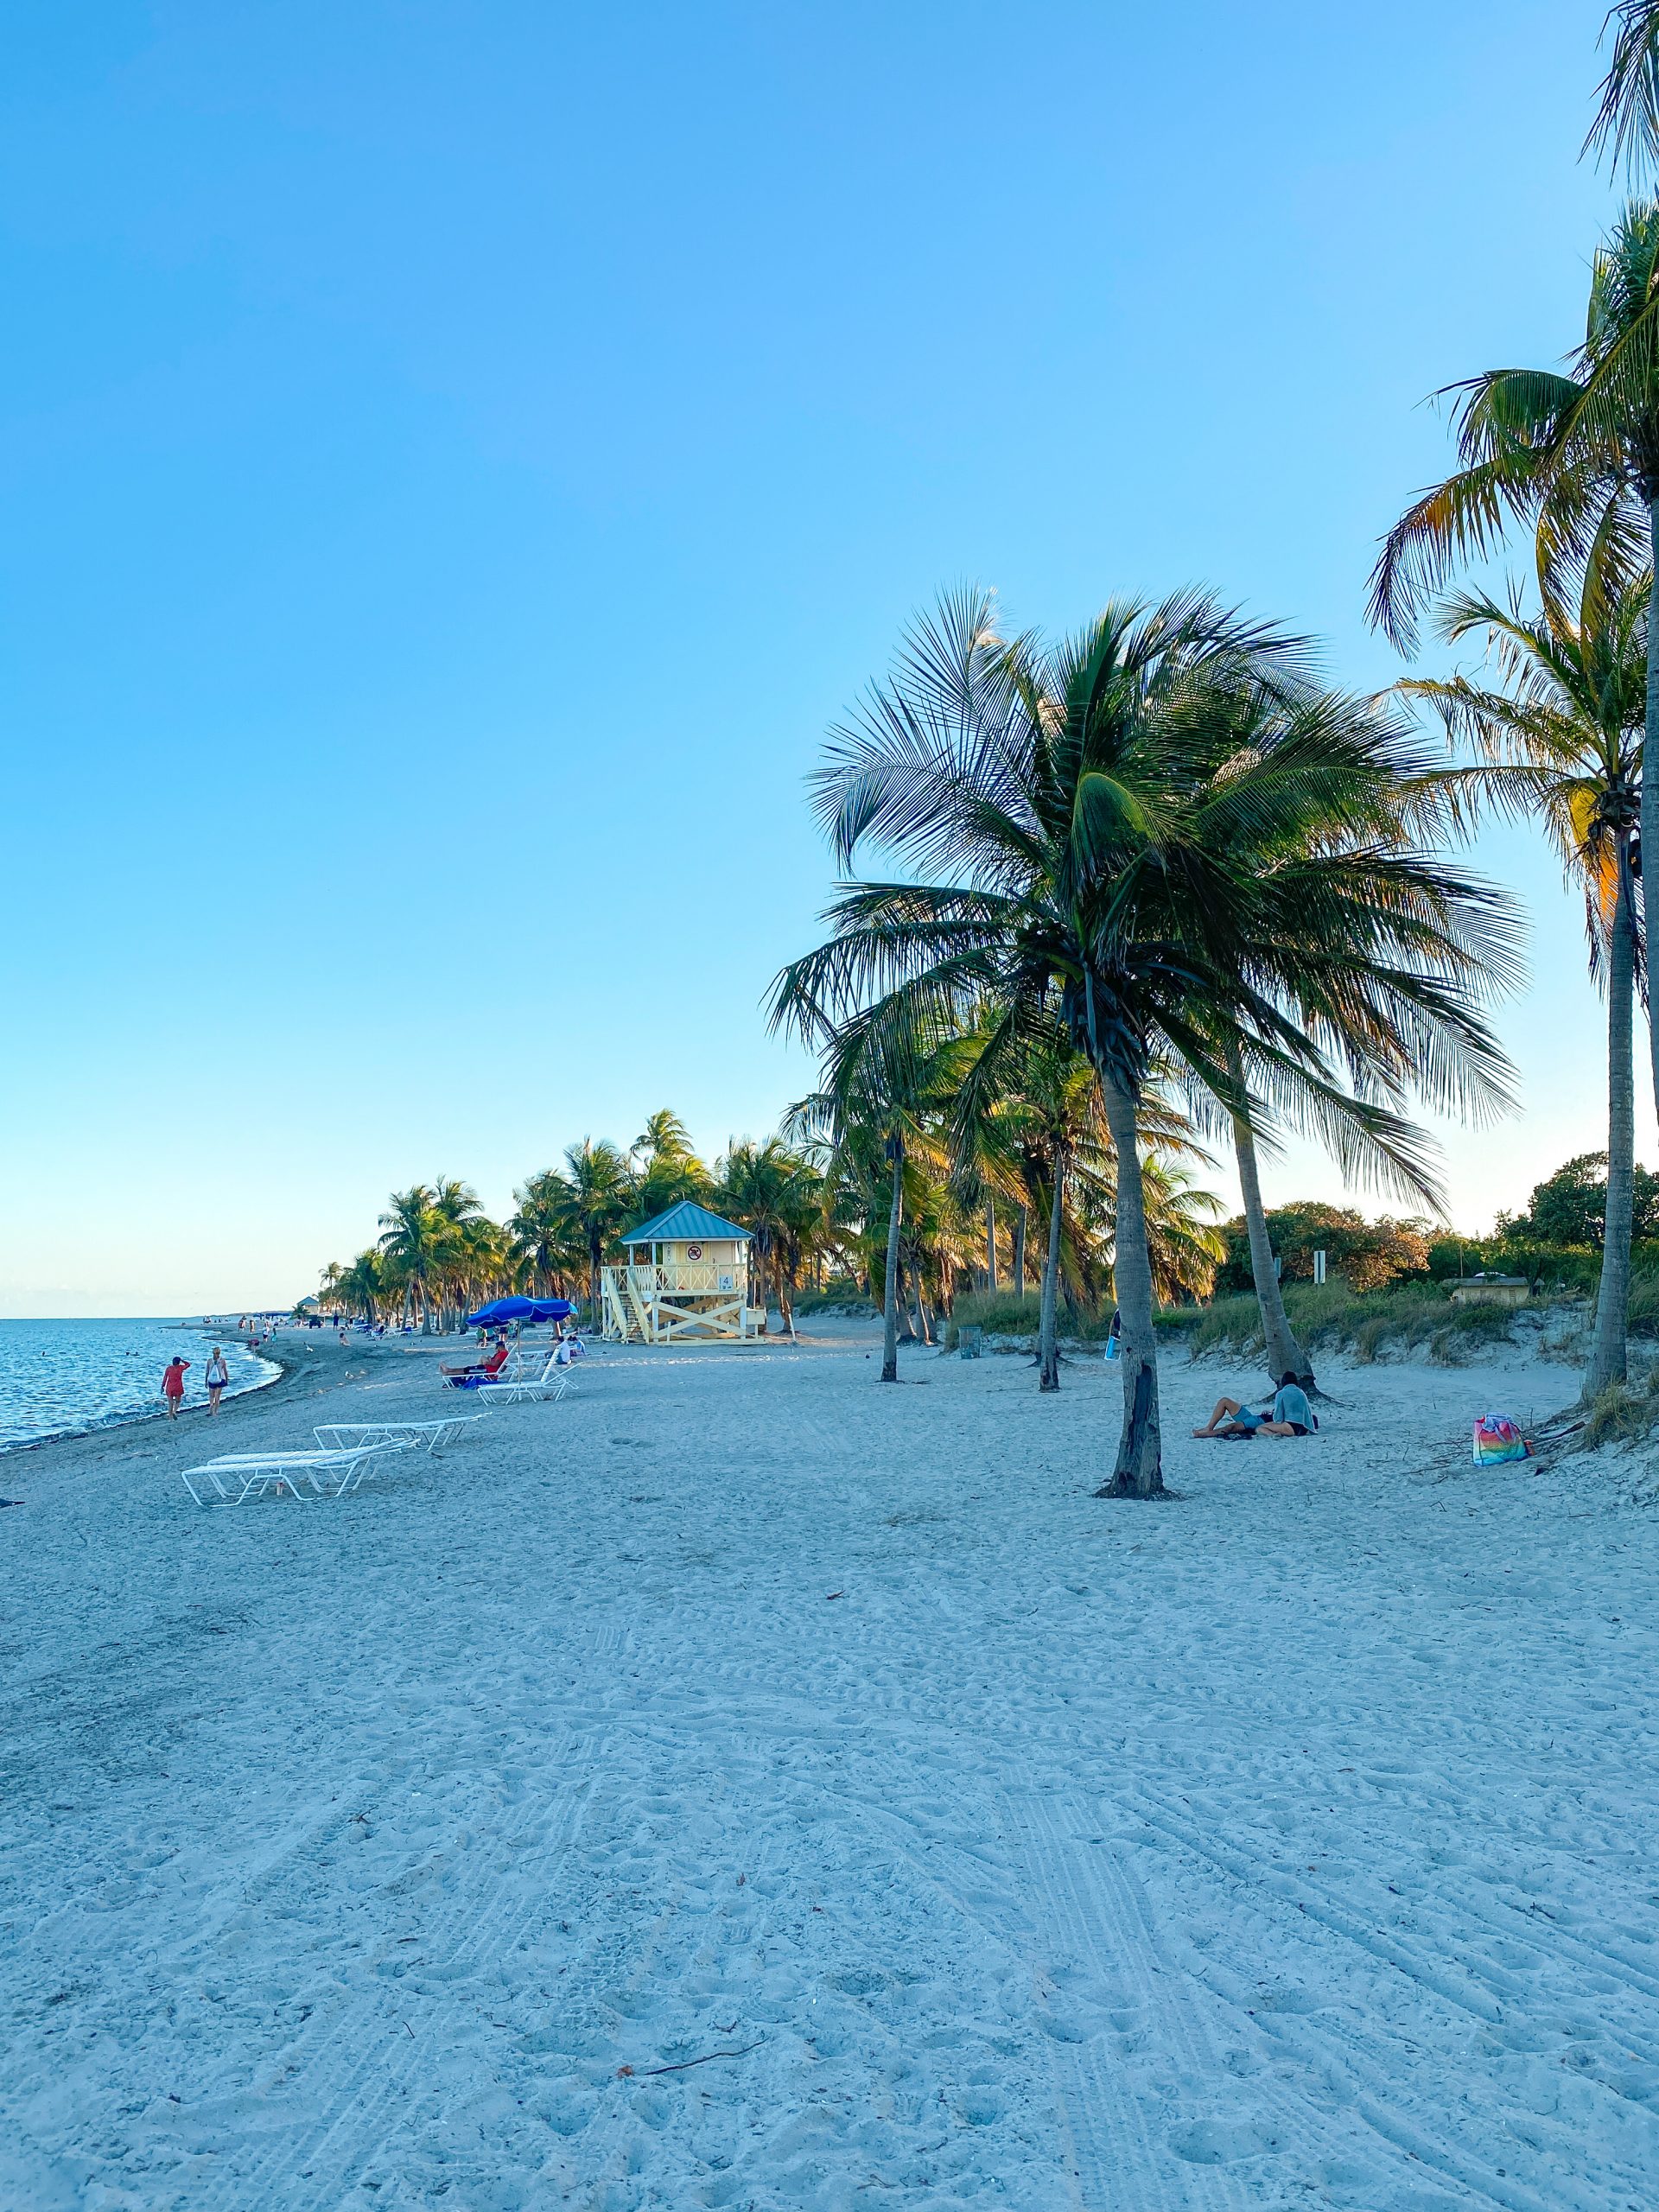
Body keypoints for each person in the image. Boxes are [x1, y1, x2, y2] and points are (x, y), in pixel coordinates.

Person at [440, 1336, 510, 1380]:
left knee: (467, 1370)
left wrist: (488, 1362)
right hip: (488, 1369)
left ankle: (448, 1372)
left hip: (488, 1370)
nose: (496, 1349)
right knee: (468, 1369)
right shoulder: (502, 1353)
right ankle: (448, 1370)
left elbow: (495, 1364)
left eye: (496, 1347)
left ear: (500, 1347)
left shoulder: (503, 1353)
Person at [162, 1355, 191, 1419]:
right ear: (179, 1362)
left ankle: (170, 1418)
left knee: (170, 1402)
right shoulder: (180, 1367)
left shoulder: (169, 1368)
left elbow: (165, 1378)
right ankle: (174, 1411)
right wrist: (182, 1360)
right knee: (178, 1401)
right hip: (178, 1386)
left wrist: (162, 1386)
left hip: (170, 1387)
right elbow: (188, 1364)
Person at [204, 1345, 230, 1415]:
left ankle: (211, 1408)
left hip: (211, 1380)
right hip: (220, 1380)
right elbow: (225, 1371)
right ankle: (215, 1412)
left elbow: (207, 1372)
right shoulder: (222, 1361)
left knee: (211, 1396)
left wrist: (206, 1381)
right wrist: (227, 1380)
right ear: (219, 1353)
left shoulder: (209, 1361)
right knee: (217, 1397)